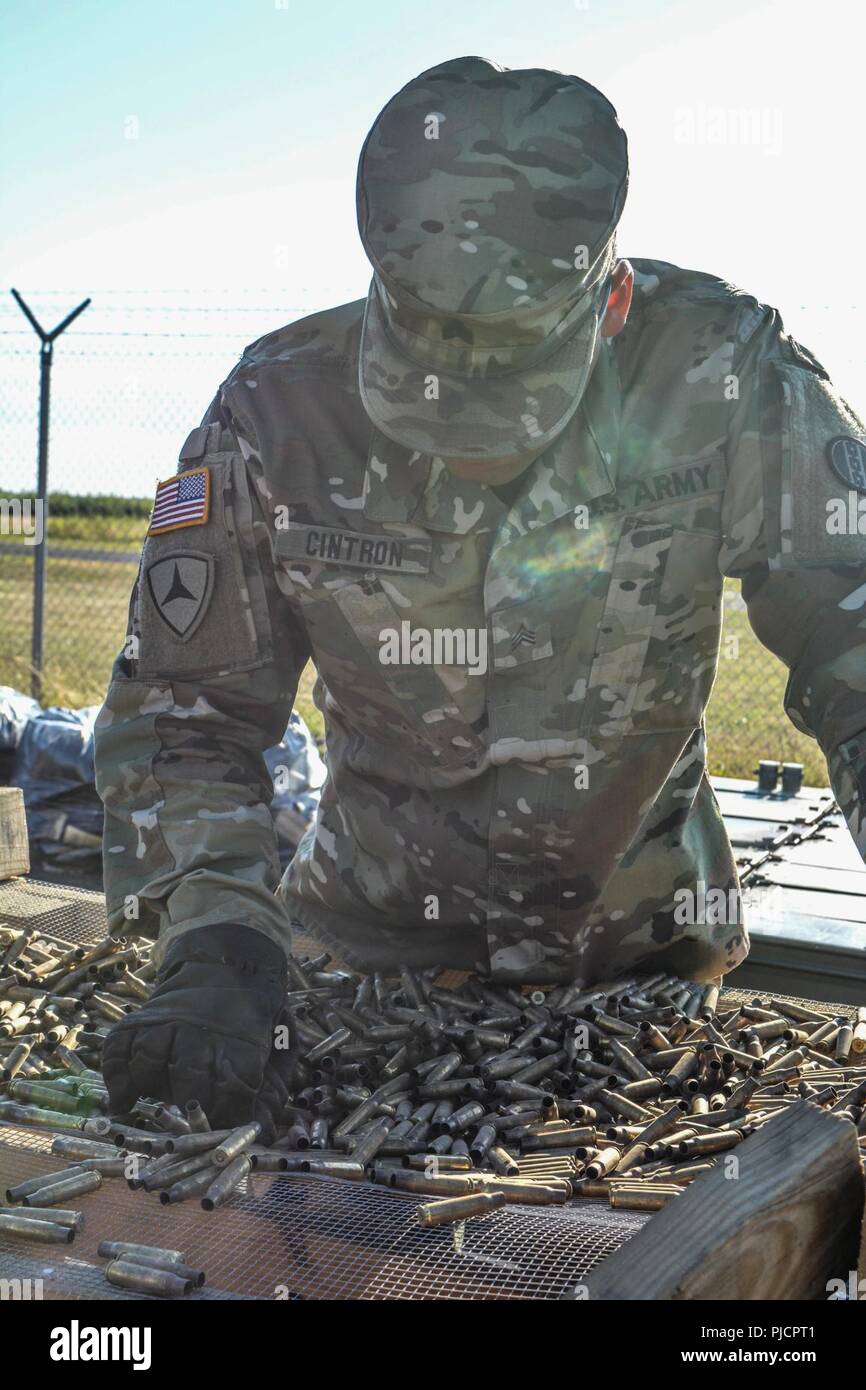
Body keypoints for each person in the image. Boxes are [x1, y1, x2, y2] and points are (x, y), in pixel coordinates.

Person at [94, 56, 866, 1130]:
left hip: (641, 976)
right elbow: (186, 718)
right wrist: (216, 932)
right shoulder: (274, 414)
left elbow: (853, 648)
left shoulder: (723, 373)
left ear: (612, 300)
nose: (467, 454)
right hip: (360, 961)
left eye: (506, 401)